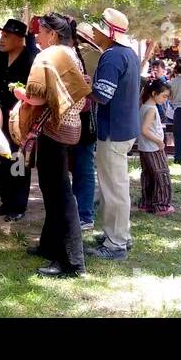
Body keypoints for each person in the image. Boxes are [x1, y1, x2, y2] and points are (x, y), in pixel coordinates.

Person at [22, 13, 91, 278]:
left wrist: (20, 95)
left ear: (52, 34)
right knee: (54, 190)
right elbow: (82, 96)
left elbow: (36, 97)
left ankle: (72, 262)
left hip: (54, 129)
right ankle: (49, 245)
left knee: (60, 195)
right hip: (71, 127)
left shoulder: (49, 56)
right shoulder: (71, 53)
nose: (37, 36)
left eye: (40, 32)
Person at [85, 8, 140, 261]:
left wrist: (83, 87)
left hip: (112, 130)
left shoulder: (111, 57)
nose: (93, 33)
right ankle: (118, 234)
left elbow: (103, 95)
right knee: (117, 185)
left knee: (113, 188)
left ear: (108, 32)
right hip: (124, 128)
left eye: (97, 29)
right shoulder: (128, 54)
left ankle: (116, 242)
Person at [0, 18, 34, 221]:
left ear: (20, 39)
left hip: (21, 119)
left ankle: (18, 205)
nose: (1, 40)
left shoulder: (31, 58)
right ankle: (6, 200)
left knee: (19, 161)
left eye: (7, 36)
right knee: (1, 160)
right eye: (2, 35)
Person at [71, 21, 102, 230]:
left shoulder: (82, 54)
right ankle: (83, 211)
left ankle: (83, 213)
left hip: (81, 115)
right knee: (83, 165)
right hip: (87, 116)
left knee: (82, 166)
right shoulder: (98, 55)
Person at [137, 79, 174, 215]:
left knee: (148, 175)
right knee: (161, 175)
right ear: (154, 93)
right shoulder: (151, 109)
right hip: (153, 148)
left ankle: (147, 203)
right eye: (164, 96)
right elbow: (145, 130)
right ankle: (162, 204)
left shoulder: (144, 106)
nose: (165, 100)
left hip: (144, 148)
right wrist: (159, 141)